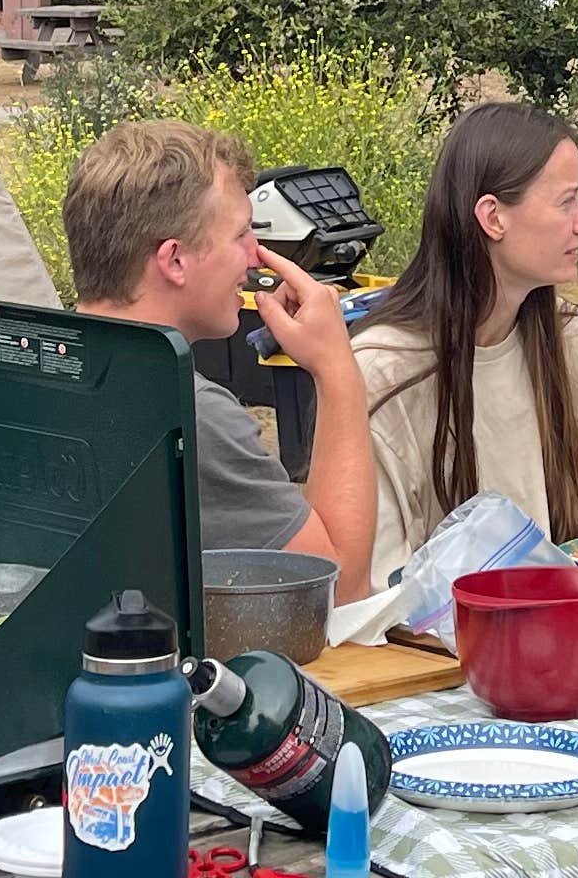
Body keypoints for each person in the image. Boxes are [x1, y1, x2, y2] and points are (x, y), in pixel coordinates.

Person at [63, 118, 378, 597]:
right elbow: (336, 587)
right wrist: (337, 370)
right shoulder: (189, 416)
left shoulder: (21, 368)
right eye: (242, 235)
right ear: (174, 261)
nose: (257, 255)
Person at [352, 103, 578, 586]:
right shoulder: (383, 371)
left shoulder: (568, 338)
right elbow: (379, 592)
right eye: (567, 201)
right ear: (493, 218)